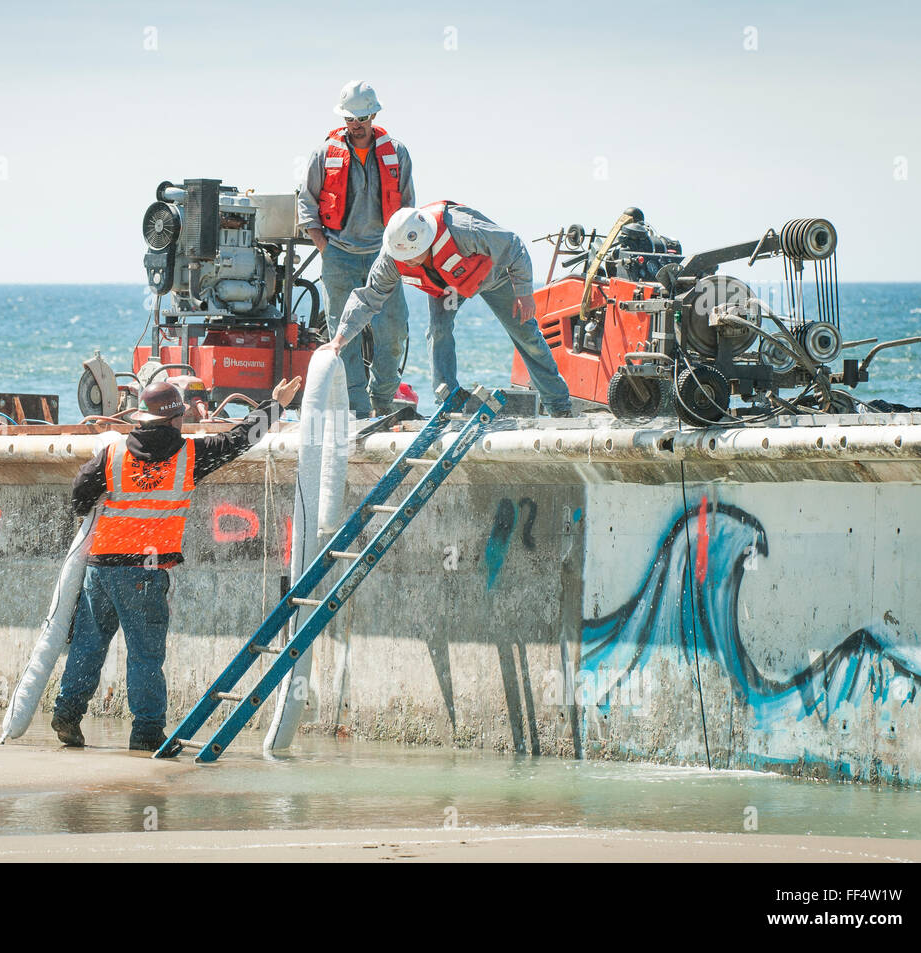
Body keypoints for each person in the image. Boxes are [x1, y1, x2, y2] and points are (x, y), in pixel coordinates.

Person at [51, 375, 303, 751]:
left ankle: (68, 713)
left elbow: (80, 491)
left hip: (100, 567)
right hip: (145, 573)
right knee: (145, 655)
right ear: (174, 420)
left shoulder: (114, 452)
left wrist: (86, 511)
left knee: (89, 645)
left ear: (143, 418)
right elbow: (238, 441)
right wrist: (275, 406)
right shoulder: (190, 455)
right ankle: (147, 732)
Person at [319, 201, 573, 416]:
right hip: (447, 288)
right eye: (403, 259)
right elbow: (367, 299)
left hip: (493, 277)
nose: (407, 262)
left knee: (526, 334)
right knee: (438, 331)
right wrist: (338, 341)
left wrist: (524, 293)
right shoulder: (391, 258)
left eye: (412, 257)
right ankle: (447, 400)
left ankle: (559, 404)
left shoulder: (463, 229)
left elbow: (513, 245)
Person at [297, 80, 415, 417]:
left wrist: (402, 252)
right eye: (351, 119)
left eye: (363, 118)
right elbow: (306, 203)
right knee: (342, 335)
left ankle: (383, 398)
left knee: (393, 330)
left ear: (374, 114)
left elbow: (408, 208)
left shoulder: (398, 153)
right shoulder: (323, 154)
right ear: (343, 119)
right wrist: (325, 248)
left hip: (386, 257)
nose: (357, 125)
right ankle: (358, 409)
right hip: (339, 257)